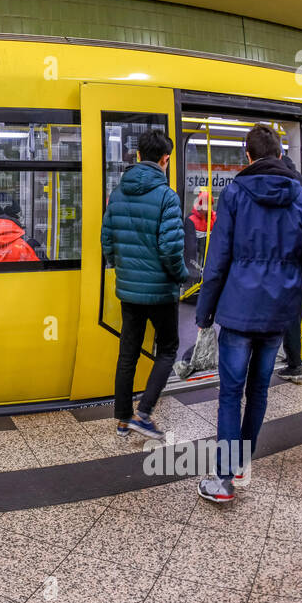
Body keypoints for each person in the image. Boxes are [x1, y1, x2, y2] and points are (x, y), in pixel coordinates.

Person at [195, 123, 302, 503]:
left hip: (236, 313)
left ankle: (222, 480)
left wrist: (204, 314)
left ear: (247, 156)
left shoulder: (233, 195)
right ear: (280, 154)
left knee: (230, 393)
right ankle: (240, 463)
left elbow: (216, 262)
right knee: (259, 389)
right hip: (277, 314)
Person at [101, 127, 188, 439]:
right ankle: (145, 412)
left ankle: (123, 420)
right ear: (165, 160)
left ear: (138, 156)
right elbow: (170, 249)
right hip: (161, 293)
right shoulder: (167, 197)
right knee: (167, 349)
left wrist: (120, 267)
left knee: (128, 352)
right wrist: (181, 276)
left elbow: (107, 240)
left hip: (129, 290)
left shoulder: (118, 192)